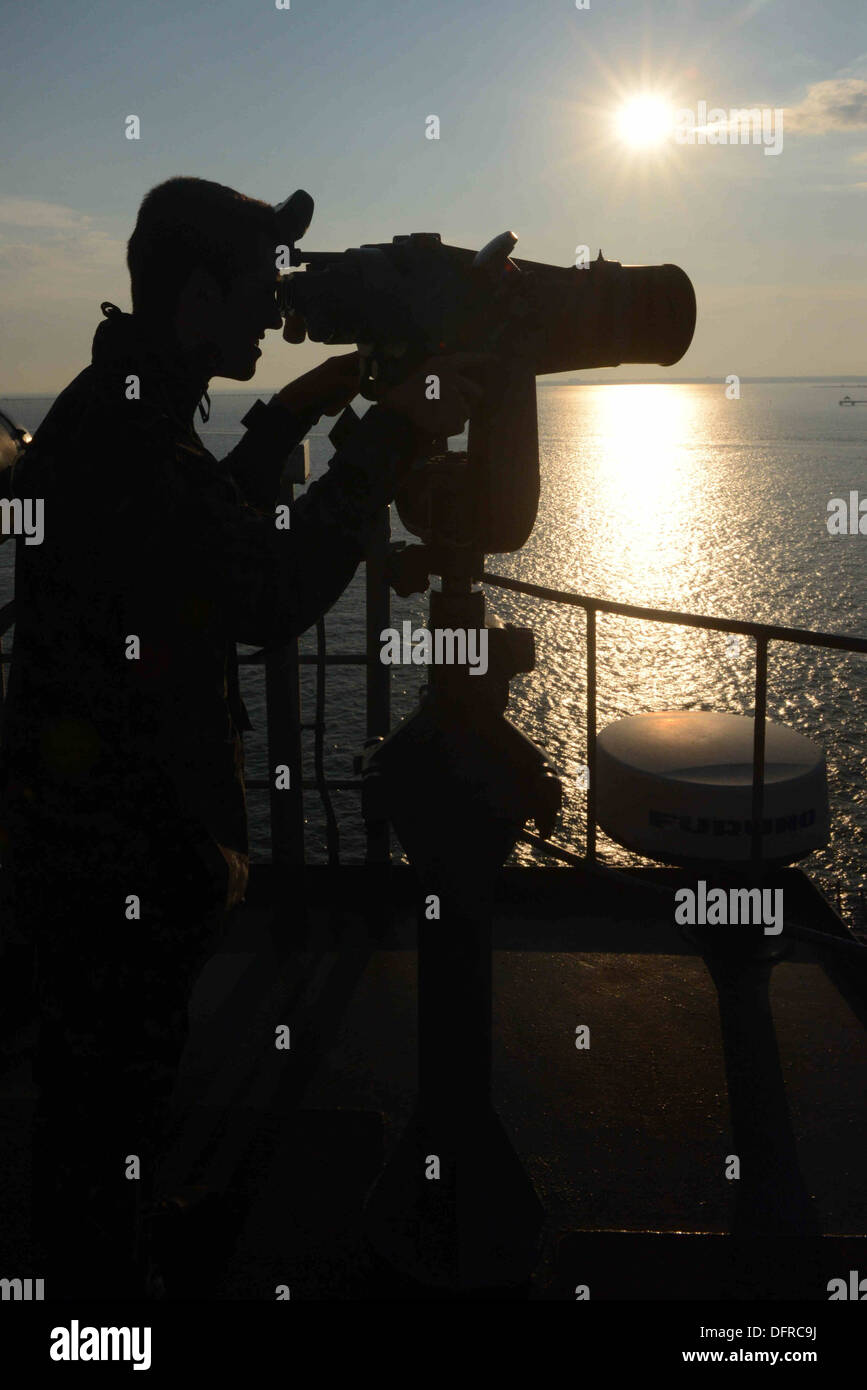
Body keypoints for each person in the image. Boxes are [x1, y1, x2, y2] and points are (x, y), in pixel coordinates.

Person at [0, 176, 486, 1297]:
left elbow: (201, 527)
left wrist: (291, 413)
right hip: (114, 844)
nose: (277, 310)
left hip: (93, 833)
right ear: (196, 298)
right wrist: (389, 439)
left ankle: (119, 1235)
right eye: (260, 288)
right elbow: (266, 590)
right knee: (104, 1088)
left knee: (114, 1087)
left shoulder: (123, 398)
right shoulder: (131, 437)